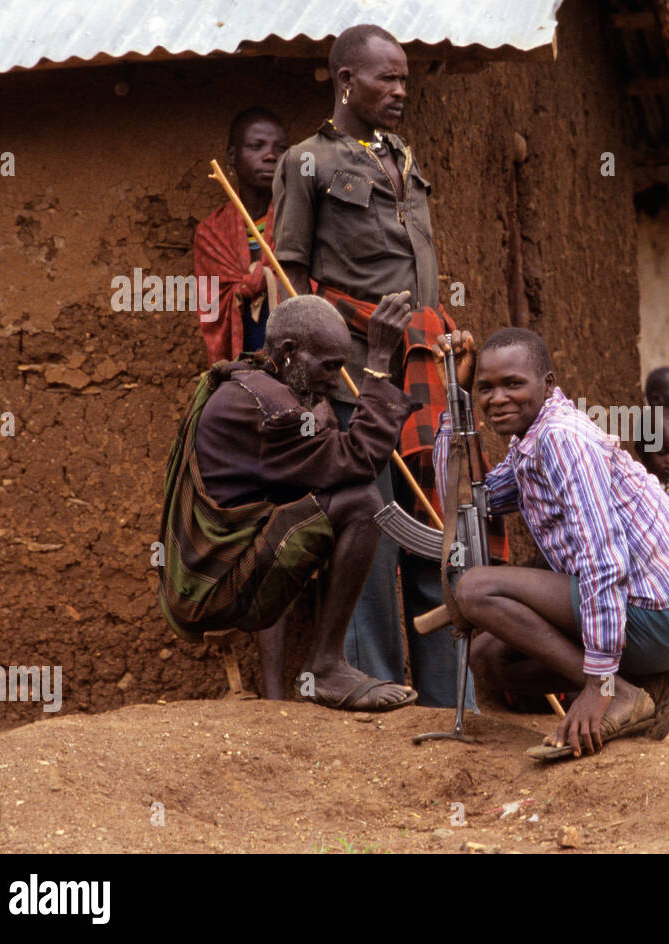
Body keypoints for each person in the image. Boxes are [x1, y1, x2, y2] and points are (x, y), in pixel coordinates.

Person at [272, 25, 468, 705]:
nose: (400, 91)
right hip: (356, 376)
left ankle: (450, 699)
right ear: (346, 80)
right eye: (388, 78)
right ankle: (369, 686)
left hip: (422, 374)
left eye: (406, 80)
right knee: (371, 531)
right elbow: (289, 279)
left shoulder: (402, 158)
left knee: (435, 537)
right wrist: (312, 392)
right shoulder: (306, 162)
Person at [435, 328, 669, 759]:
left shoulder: (562, 438)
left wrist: (596, 684)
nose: (497, 398)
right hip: (654, 620)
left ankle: (617, 692)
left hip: (662, 612)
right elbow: (466, 501)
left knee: (476, 589)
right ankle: (648, 688)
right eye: (485, 388)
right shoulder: (530, 444)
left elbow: (603, 561)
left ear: (547, 385)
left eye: (513, 384)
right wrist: (454, 403)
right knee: (491, 658)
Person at [157, 294, 420, 710]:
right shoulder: (272, 409)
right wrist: (379, 360)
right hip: (216, 591)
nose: (335, 380)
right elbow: (361, 459)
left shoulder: (244, 380)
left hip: (205, 577)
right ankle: (326, 667)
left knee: (308, 508)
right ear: (290, 352)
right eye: (329, 366)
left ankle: (293, 690)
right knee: (363, 503)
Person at [193, 107, 289, 365]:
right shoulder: (213, 233)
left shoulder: (297, 223)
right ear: (232, 156)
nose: (271, 156)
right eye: (257, 146)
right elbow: (211, 308)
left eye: (280, 148)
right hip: (242, 363)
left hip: (292, 362)